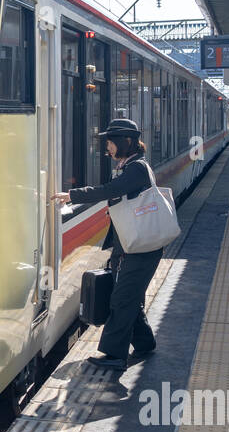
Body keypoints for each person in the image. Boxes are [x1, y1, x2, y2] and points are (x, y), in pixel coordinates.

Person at [52, 118, 162, 374]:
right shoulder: (129, 166)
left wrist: (73, 195)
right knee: (128, 298)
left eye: (111, 142)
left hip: (141, 249)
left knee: (122, 299)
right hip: (132, 246)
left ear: (126, 142)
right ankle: (145, 343)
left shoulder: (136, 169)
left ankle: (114, 354)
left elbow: (109, 190)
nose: (108, 148)